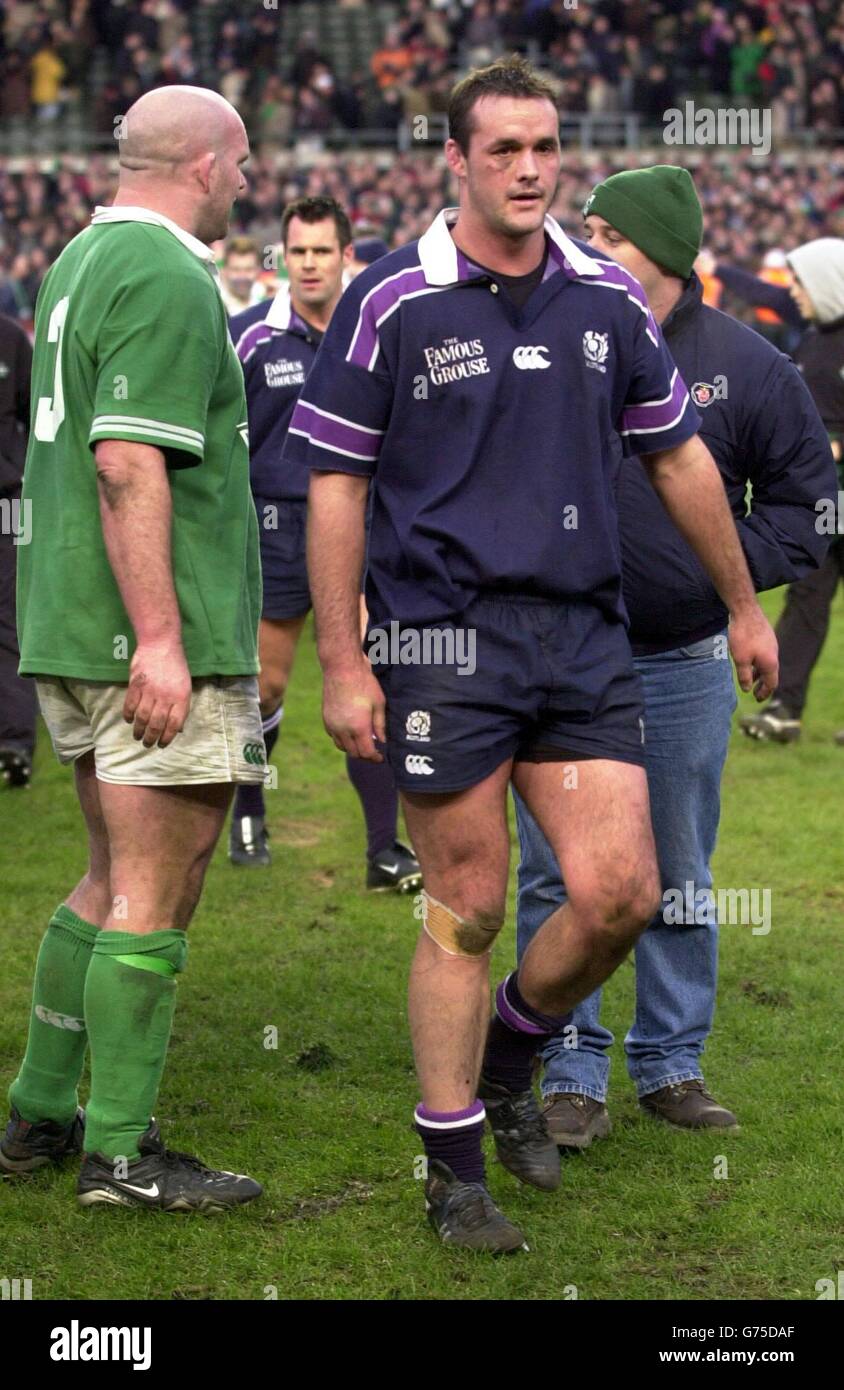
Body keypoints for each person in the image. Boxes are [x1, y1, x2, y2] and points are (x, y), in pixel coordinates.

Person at [283, 57, 777, 1252]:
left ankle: (511, 1057)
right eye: (502, 149)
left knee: (623, 893)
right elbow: (336, 485)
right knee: (469, 902)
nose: (528, 168)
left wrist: (742, 607)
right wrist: (345, 662)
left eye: (545, 147)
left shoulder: (604, 293)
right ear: (454, 159)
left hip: (583, 631)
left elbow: (679, 459)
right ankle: (453, 1167)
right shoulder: (393, 297)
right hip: (444, 639)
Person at [512, 168, 836, 1150]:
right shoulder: (545, 342)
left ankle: (669, 1063)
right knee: (555, 874)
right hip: (558, 655)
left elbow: (807, 505)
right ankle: (567, 1069)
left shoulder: (750, 365)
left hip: (681, 657)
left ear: (658, 245)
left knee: (681, 870)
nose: (584, 239)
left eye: (606, 229)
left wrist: (729, 585)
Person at [1, 86, 265, 1214]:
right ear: (204, 164)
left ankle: (40, 1112)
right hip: (147, 635)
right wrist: (162, 636)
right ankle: (119, 1155)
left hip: (66, 617)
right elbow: (125, 460)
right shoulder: (164, 272)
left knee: (110, 876)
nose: (250, 182)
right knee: (159, 883)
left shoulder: (77, 259)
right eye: (244, 162)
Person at [228, 197, 421, 891]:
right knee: (265, 684)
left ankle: (382, 851)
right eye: (296, 252)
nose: (308, 264)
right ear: (283, 258)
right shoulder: (247, 335)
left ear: (346, 255)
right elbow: (223, 436)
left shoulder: (376, 328)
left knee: (368, 680)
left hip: (361, 525)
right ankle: (249, 806)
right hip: (274, 526)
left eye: (321, 251)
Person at [706, 239, 844, 745]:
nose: (796, 294)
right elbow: (765, 291)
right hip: (827, 501)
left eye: (804, 284)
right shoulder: (813, 334)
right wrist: (717, 265)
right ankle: (784, 710)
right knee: (807, 597)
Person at [0, 310, 36, 786]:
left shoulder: (10, 339)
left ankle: (15, 743)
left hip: (9, 501)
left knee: (12, 614)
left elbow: (38, 413)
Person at [219, 234, 265, 316]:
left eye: (248, 269)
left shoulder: (264, 295)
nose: (242, 277)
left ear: (259, 270)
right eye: (236, 269)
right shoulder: (216, 301)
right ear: (224, 271)